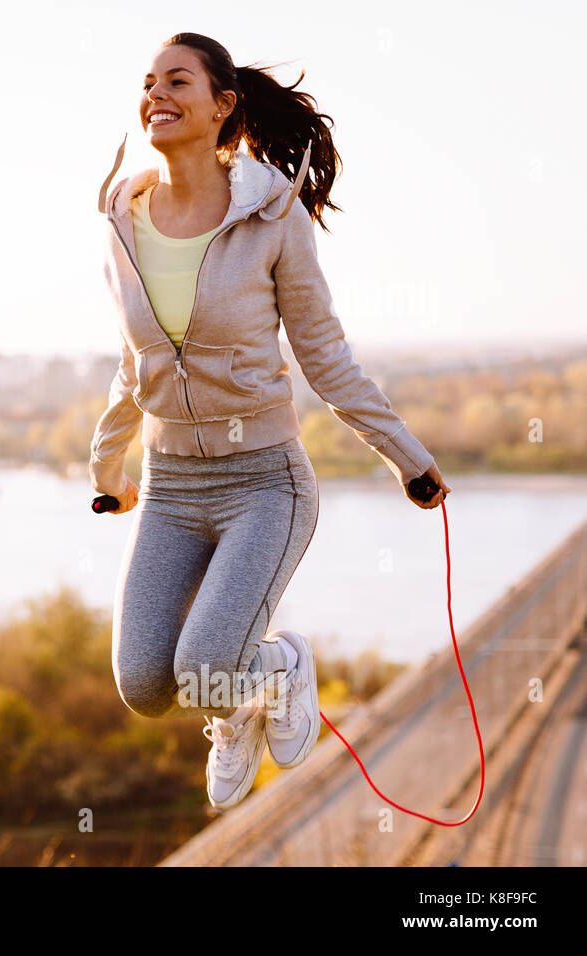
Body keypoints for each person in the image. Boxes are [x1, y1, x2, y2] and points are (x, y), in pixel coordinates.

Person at [88, 33, 452, 810]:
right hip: (170, 487)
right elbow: (134, 364)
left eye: (177, 81)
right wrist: (104, 468)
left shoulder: (272, 213)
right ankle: (243, 702)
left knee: (206, 660)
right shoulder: (123, 219)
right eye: (147, 81)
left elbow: (325, 357)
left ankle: (276, 666)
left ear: (223, 105)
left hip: (265, 484)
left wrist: (407, 458)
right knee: (145, 685)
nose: (156, 93)